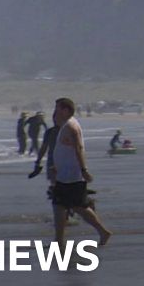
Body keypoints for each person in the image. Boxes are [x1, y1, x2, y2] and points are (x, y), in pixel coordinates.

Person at [48, 97, 112, 248]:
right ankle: (59, 240)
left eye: (57, 108)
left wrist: (84, 170)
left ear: (65, 110)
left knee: (77, 206)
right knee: (62, 205)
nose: (55, 111)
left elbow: (78, 149)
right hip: (65, 175)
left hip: (72, 175)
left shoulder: (72, 127)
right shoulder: (66, 126)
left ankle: (102, 232)